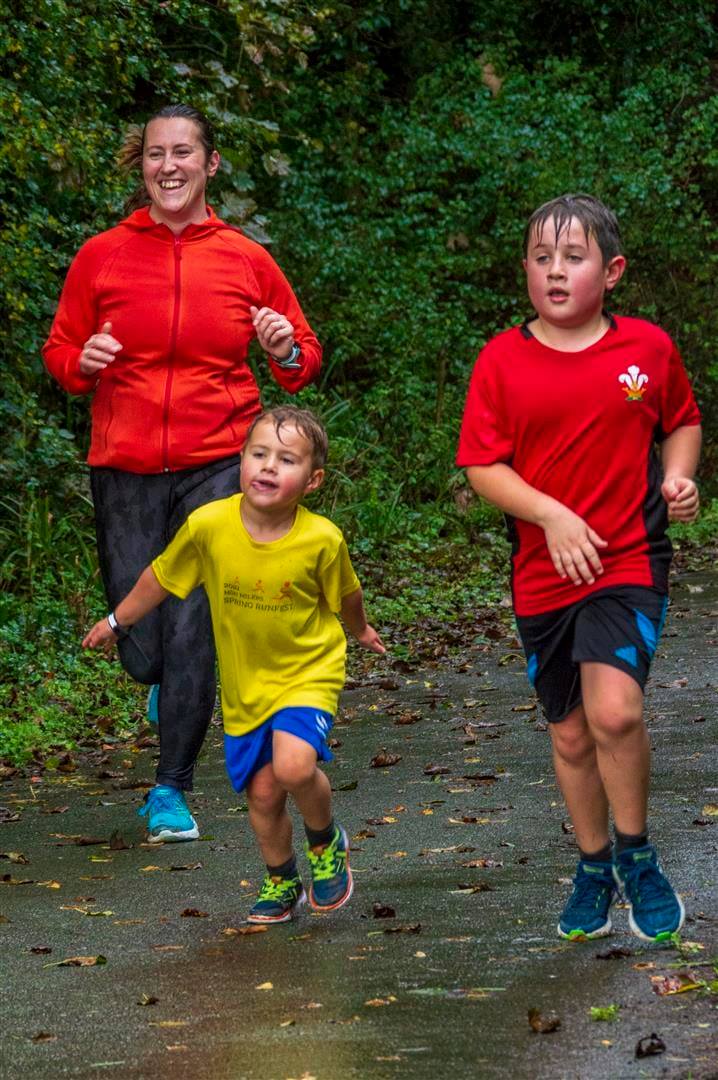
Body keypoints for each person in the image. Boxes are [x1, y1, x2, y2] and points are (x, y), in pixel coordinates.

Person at [43, 104, 322, 843]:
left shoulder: (245, 258)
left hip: (219, 459)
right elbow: (60, 352)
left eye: (183, 153)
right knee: (144, 641)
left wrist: (284, 347)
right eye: (155, 154)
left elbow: (302, 360)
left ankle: (171, 787)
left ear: (210, 163)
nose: (168, 166)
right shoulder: (102, 255)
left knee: (195, 619)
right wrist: (82, 363)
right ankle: (165, 684)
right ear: (143, 166)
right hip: (125, 463)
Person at [457, 193, 701, 943]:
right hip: (543, 576)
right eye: (541, 258)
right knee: (569, 735)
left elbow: (682, 421)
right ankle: (594, 865)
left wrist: (679, 476)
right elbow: (482, 466)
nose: (555, 271)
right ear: (525, 270)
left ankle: (638, 855)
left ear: (612, 271)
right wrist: (552, 516)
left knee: (615, 713)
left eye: (573, 257)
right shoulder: (501, 360)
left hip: (629, 558)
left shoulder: (647, 350)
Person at [83, 406, 385, 922]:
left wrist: (359, 629)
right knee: (263, 796)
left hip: (308, 672)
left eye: (286, 460)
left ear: (312, 481)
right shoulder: (210, 525)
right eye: (259, 454)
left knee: (293, 766)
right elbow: (161, 577)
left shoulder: (322, 539)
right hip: (247, 688)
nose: (268, 466)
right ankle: (281, 879)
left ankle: (325, 841)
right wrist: (117, 621)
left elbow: (347, 594)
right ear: (241, 460)